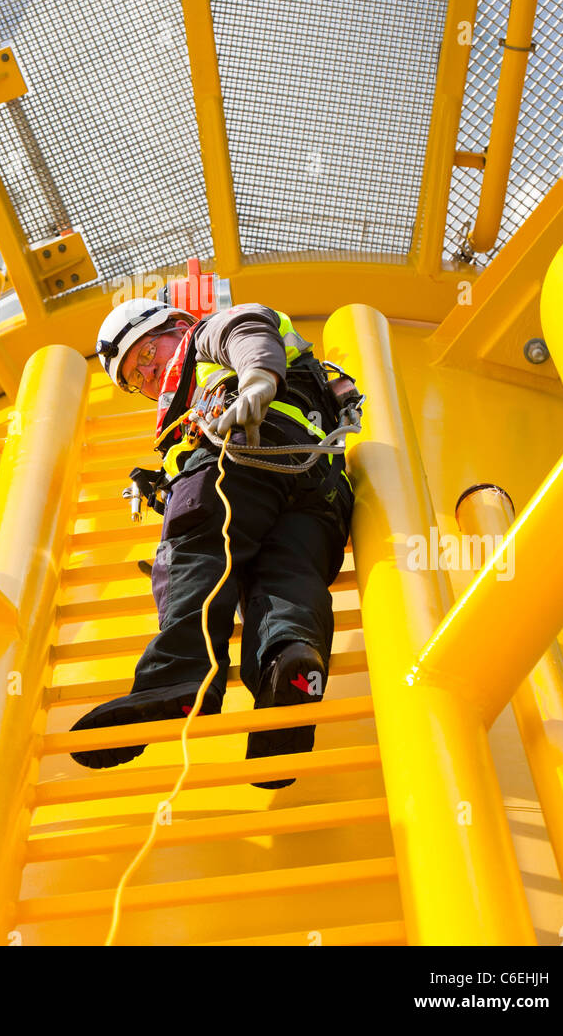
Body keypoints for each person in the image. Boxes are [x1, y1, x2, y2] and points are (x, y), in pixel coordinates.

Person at [70, 298, 360, 788]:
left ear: (177, 325)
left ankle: (182, 677)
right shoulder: (195, 395)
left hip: (244, 454)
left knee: (193, 551)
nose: (147, 374)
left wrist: (259, 381)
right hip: (321, 490)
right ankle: (287, 672)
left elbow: (247, 333)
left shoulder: (207, 334)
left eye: (145, 355)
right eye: (135, 380)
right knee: (286, 576)